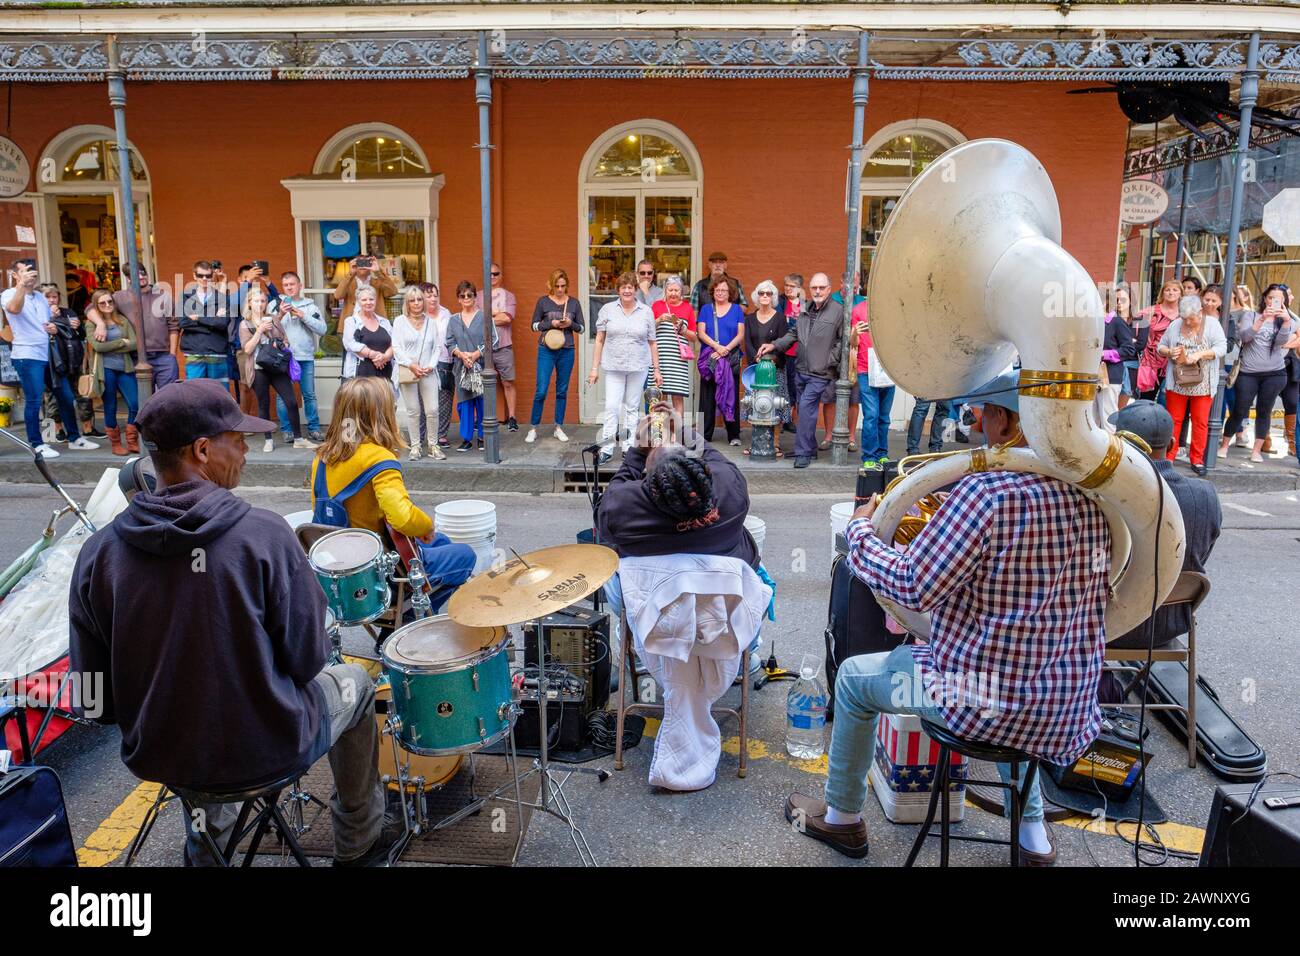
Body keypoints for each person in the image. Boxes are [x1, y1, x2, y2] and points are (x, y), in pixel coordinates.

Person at [786, 369, 1109, 864]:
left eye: (976, 415)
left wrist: (860, 534)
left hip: (974, 703)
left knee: (853, 679)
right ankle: (1034, 839)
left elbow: (913, 586)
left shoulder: (984, 495)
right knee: (1018, 681)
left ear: (1002, 421)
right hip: (1065, 710)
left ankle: (842, 821)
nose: (972, 425)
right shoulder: (1097, 498)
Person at [69, 379, 395, 867]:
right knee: (355, 685)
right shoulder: (265, 536)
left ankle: (208, 849)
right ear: (202, 450)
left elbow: (92, 700)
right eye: (236, 439)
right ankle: (358, 843)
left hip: (164, 755)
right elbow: (308, 662)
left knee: (197, 725)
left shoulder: (98, 555)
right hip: (268, 749)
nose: (245, 451)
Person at [596, 406, 770, 790]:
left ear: (647, 485)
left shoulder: (626, 508)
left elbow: (613, 498)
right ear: (702, 475)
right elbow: (713, 456)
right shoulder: (729, 489)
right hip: (724, 603)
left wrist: (638, 450)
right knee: (759, 577)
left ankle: (653, 649)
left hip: (660, 612)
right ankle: (745, 652)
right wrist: (685, 432)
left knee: (613, 579)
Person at [311, 377, 476, 613]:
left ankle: (405, 619)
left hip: (344, 563)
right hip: (381, 568)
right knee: (464, 556)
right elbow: (402, 517)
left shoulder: (322, 457)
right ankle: (405, 619)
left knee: (443, 542)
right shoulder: (379, 458)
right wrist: (426, 526)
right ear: (380, 414)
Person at [1106, 400, 1221, 650]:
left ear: (1119, 441)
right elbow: (1201, 552)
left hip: (1111, 624)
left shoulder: (1106, 494)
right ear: (1171, 445)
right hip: (1171, 624)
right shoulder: (1206, 493)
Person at [2, 259, 95, 458]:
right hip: (27, 355)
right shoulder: (9, 294)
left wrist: (52, 327)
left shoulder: (40, 298)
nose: (31, 277)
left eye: (34, 273)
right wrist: (21, 285)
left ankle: (75, 438)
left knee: (66, 397)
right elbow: (14, 309)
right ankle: (37, 444)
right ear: (15, 275)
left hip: (49, 355)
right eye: (26, 272)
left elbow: (44, 323)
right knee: (34, 400)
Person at [758, 272, 844, 469]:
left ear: (829, 289)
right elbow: (794, 333)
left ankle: (803, 452)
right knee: (805, 409)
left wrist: (829, 360)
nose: (818, 291)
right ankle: (809, 448)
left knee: (805, 409)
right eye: (814, 288)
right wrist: (773, 345)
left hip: (820, 372)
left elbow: (842, 341)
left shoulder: (838, 311)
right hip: (801, 368)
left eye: (822, 288)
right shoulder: (805, 308)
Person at [589, 271, 661, 463]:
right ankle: (607, 447)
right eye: (623, 288)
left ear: (635, 290)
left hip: (639, 366)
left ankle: (628, 447)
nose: (627, 291)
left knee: (632, 407)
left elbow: (652, 342)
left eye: (630, 287)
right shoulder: (607, 310)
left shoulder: (646, 311)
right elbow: (599, 340)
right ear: (618, 290)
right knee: (612, 406)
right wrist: (594, 369)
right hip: (614, 366)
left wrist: (657, 370)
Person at [1220, 283, 1297, 463]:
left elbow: (1280, 342)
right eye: (1270, 298)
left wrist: (1285, 322)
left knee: (1264, 411)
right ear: (1265, 298)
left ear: (1284, 301)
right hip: (1248, 372)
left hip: (1274, 373)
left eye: (1278, 299)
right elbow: (1245, 337)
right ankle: (1224, 445)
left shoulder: (1289, 321)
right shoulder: (1251, 315)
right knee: (1240, 409)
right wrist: (1262, 319)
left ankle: (1256, 451)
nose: (1273, 302)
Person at [241, 288, 316, 452]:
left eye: (262, 301)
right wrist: (259, 330)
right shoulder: (245, 324)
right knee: (263, 404)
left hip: (276, 365)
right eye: (256, 301)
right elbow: (247, 349)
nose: (260, 304)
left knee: (291, 401)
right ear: (249, 303)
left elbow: (285, 339)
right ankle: (268, 440)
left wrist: (283, 344)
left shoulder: (274, 319)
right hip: (258, 368)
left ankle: (298, 438)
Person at [1157, 295, 1226, 475]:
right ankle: (1169, 457)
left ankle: (1197, 459)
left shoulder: (1212, 325)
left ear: (1200, 312)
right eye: (1184, 318)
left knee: (1200, 422)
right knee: (1174, 420)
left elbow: (1221, 348)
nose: (1187, 322)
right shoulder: (1175, 325)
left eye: (1191, 318)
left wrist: (1200, 354)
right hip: (1178, 381)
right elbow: (1160, 346)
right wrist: (1170, 351)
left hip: (1203, 383)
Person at [526, 268, 585, 443]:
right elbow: (534, 326)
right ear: (551, 285)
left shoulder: (574, 303)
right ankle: (533, 427)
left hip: (567, 350)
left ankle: (558, 427)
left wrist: (570, 323)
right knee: (541, 390)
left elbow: (582, 328)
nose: (560, 289)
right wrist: (549, 323)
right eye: (557, 286)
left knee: (562, 390)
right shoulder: (543, 302)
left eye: (563, 286)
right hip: (546, 350)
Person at [392, 285, 447, 461]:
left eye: (419, 299)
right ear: (407, 303)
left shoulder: (430, 322)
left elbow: (437, 347)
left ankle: (433, 445)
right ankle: (415, 446)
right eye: (412, 300)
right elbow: (396, 348)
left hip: (428, 372)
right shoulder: (400, 321)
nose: (416, 303)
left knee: (433, 409)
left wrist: (431, 365)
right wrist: (411, 365)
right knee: (413, 410)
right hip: (409, 371)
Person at [271, 271, 326, 443]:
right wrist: (280, 314)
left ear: (300, 286)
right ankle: (287, 430)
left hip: (305, 357)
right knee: (283, 396)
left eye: (292, 284)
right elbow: (269, 329)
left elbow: (322, 329)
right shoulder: (275, 304)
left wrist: (303, 316)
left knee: (309, 394)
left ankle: (314, 429)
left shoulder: (311, 306)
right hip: (284, 357)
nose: (289, 288)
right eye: (286, 285)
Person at [84, 289, 141, 456]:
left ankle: (132, 440)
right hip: (105, 370)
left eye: (110, 301)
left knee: (135, 404)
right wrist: (121, 342)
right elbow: (98, 347)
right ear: (97, 306)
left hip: (125, 368)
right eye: (102, 303)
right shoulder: (91, 324)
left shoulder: (122, 320)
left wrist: (118, 344)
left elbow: (135, 343)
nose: (107, 305)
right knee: (110, 406)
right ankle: (116, 443)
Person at [40, 283, 95, 442]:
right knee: (53, 397)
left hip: (72, 358)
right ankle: (58, 430)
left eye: (54, 296)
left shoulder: (68, 312)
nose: (52, 300)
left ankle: (88, 428)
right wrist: (58, 320)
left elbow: (79, 334)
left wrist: (78, 328)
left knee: (82, 393)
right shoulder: (39, 314)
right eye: (48, 297)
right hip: (52, 362)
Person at [741, 279, 790, 456]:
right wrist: (757, 358)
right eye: (761, 293)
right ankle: (755, 442)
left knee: (775, 406)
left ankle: (775, 443)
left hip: (775, 369)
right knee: (754, 405)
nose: (764, 296)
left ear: (773, 297)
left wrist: (772, 360)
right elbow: (747, 342)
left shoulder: (779, 318)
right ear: (756, 296)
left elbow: (784, 342)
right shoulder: (750, 319)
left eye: (768, 293)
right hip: (756, 369)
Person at [112, 264, 179, 392]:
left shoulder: (163, 296)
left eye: (143, 273)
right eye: (137, 275)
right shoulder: (119, 297)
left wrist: (172, 354)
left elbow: (174, 325)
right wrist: (99, 323)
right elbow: (93, 307)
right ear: (128, 278)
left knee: (170, 396)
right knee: (145, 400)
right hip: (136, 357)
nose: (142, 277)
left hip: (164, 357)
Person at [695, 274, 744, 446]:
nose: (721, 293)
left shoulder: (737, 310)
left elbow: (740, 334)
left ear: (730, 292)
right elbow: (701, 332)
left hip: (730, 358)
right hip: (711, 358)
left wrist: (726, 349)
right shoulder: (706, 309)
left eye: (724, 290)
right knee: (707, 396)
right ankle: (704, 434)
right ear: (712, 292)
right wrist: (717, 348)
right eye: (717, 290)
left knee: (730, 394)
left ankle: (734, 435)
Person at [447, 280, 496, 452]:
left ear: (475, 297)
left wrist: (475, 355)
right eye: (463, 296)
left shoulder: (484, 317)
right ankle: (466, 438)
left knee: (482, 402)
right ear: (458, 299)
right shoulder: (453, 320)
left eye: (470, 295)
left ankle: (482, 437)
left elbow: (493, 339)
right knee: (465, 404)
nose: (466, 298)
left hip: (481, 366)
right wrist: (461, 355)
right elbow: (449, 342)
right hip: (461, 368)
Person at [852, 300, 895, 469]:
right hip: (865, 369)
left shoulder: (892, 308)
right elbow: (852, 342)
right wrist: (855, 332)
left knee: (884, 417)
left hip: (888, 368)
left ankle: (882, 453)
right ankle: (869, 455)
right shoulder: (858, 309)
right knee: (871, 415)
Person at [477, 263, 519, 431]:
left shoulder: (509, 296)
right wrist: (496, 314)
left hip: (503, 345)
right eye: (489, 274)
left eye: (495, 274)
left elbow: (508, 318)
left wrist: (486, 316)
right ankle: (479, 418)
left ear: (501, 275)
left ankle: (512, 417)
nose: (492, 277)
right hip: (481, 346)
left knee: (508, 382)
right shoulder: (478, 296)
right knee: (479, 383)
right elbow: (475, 318)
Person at [650, 275, 697, 419]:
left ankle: (677, 433)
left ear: (681, 292)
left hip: (678, 360)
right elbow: (647, 330)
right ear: (665, 290)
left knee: (678, 397)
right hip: (659, 358)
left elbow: (694, 337)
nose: (673, 293)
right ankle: (660, 434)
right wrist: (659, 319)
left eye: (677, 290)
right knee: (660, 396)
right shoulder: (657, 306)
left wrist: (682, 328)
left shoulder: (687, 308)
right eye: (670, 290)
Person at [180, 260, 235, 383]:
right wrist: (212, 321)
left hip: (216, 350)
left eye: (208, 276)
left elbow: (222, 323)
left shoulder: (221, 298)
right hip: (194, 351)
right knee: (195, 393)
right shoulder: (185, 296)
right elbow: (183, 322)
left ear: (212, 276)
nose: (204, 278)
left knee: (219, 394)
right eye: (200, 275)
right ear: (194, 276)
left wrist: (198, 317)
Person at [419, 282, 455, 450]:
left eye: (435, 295)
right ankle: (419, 436)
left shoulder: (446, 313)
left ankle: (441, 434)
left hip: (444, 360)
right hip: (422, 364)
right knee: (421, 401)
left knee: (445, 399)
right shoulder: (417, 316)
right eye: (429, 295)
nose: (433, 299)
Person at [1135, 280, 1181, 402]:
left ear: (1181, 294)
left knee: (1167, 402)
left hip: (1174, 362)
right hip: (1150, 361)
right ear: (1162, 293)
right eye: (1168, 290)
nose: (1171, 293)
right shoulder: (1148, 312)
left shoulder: (1185, 314)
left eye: (1175, 290)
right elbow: (1133, 333)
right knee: (1145, 401)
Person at [332, 256, 397, 332]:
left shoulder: (378, 282)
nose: (362, 265)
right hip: (352, 326)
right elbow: (338, 295)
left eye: (365, 263)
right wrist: (350, 273)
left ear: (370, 264)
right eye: (359, 263)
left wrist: (378, 271)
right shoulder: (348, 282)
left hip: (376, 325)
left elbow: (393, 292)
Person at [1100, 284, 1137, 420]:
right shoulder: (1097, 322)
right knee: (1094, 419)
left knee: (1108, 419)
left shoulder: (1117, 321)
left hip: (1111, 376)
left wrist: (1105, 354)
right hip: (1095, 376)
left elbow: (1129, 349)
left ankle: (1111, 442)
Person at [343, 288, 396, 381]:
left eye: (371, 299)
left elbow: (395, 343)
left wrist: (385, 357)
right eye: (364, 300)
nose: (368, 302)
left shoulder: (384, 322)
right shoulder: (351, 321)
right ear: (358, 302)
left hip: (386, 373)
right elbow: (350, 344)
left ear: (375, 301)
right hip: (361, 375)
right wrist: (373, 355)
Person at [779, 273, 805, 417]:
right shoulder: (781, 302)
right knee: (785, 385)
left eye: (792, 286)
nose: (788, 288)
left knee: (797, 386)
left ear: (799, 288)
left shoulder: (805, 304)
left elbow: (806, 325)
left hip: (800, 352)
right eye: (786, 285)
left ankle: (792, 418)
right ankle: (785, 418)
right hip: (785, 352)